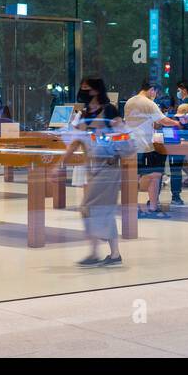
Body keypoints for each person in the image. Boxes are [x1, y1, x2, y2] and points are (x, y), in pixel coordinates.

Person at [63, 77, 124, 266]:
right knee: (99, 210)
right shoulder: (83, 113)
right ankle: (108, 253)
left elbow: (122, 134)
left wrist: (117, 151)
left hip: (109, 166)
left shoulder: (110, 109)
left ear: (97, 90)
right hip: (92, 167)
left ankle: (104, 251)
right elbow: (76, 140)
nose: (83, 91)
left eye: (87, 88)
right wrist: (62, 162)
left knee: (89, 208)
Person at [123, 80, 179, 218]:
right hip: (144, 145)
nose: (155, 95)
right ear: (151, 90)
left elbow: (138, 121)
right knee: (155, 175)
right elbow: (163, 120)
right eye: (155, 92)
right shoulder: (148, 103)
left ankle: (132, 207)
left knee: (133, 177)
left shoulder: (130, 101)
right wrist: (177, 123)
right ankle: (153, 207)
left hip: (130, 144)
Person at [167, 80, 188, 208]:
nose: (178, 92)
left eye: (179, 89)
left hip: (186, 138)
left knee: (179, 164)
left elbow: (185, 123)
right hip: (182, 139)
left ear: (184, 90)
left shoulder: (187, 103)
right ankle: (178, 192)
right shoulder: (185, 103)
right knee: (177, 165)